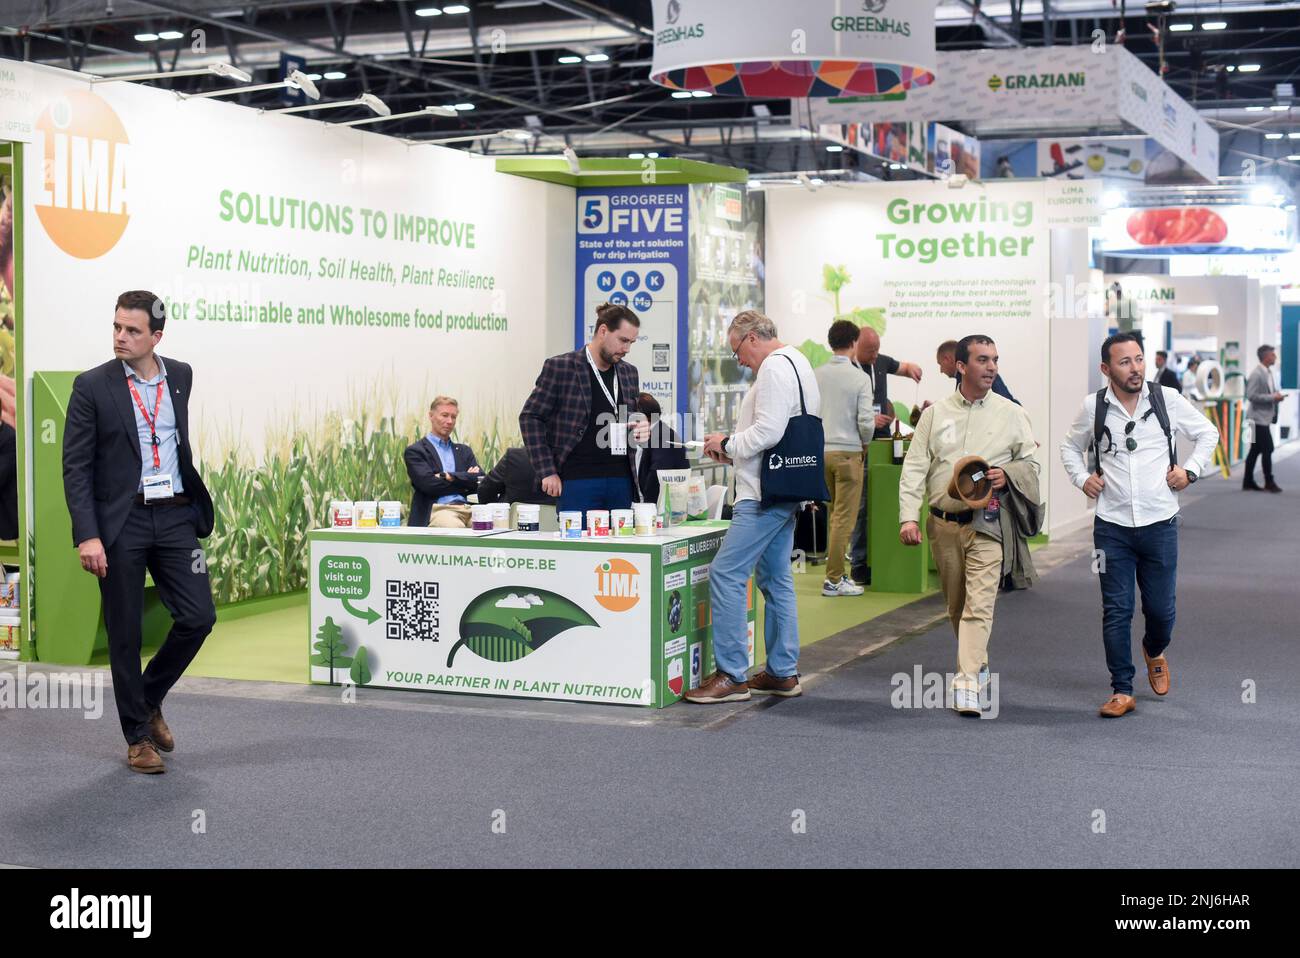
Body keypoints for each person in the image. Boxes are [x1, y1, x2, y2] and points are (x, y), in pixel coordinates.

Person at [62, 290, 217, 774]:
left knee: (198, 616)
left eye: (131, 330)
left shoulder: (181, 376)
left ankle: (148, 698)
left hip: (174, 515)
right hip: (121, 521)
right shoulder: (92, 386)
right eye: (116, 327)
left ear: (157, 336)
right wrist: (88, 535)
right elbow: (76, 466)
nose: (120, 338)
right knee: (125, 634)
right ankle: (136, 738)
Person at [1059, 332, 1219, 718]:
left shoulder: (1167, 399)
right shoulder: (1093, 407)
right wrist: (1083, 479)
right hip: (1110, 527)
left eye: (1139, 359)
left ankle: (1154, 647)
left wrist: (1190, 471)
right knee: (1116, 609)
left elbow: (1207, 433)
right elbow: (1069, 447)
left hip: (1160, 524)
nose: (1135, 368)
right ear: (1106, 369)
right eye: (1124, 362)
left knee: (1162, 611)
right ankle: (1121, 688)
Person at [898, 335, 1038, 716]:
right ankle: (978, 662)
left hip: (989, 522)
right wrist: (908, 516)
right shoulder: (935, 414)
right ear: (960, 366)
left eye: (995, 359)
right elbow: (914, 467)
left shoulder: (1012, 413)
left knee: (980, 604)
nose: (992, 367)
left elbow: (1031, 463)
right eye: (982, 360)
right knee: (957, 606)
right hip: (942, 524)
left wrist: (1006, 475)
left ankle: (966, 684)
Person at [684, 310, 819, 703]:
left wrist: (728, 444)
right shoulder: (799, 363)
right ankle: (782, 672)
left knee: (726, 574)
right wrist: (735, 453)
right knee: (776, 579)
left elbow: (769, 431)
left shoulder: (774, 369)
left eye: (736, 351)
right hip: (784, 487)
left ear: (752, 338)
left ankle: (731, 676)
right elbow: (783, 435)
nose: (739, 360)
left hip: (761, 496)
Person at [519, 302, 648, 523]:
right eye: (623, 340)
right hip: (577, 479)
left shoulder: (629, 373)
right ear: (603, 331)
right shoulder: (561, 367)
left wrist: (641, 423)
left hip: (621, 480)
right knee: (579, 551)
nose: (627, 349)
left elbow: (627, 418)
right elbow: (530, 417)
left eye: (631, 343)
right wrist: (547, 471)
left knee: (619, 552)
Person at [848, 326, 922, 584]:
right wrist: (868, 418)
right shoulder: (847, 370)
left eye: (877, 349)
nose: (875, 355)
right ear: (855, 345)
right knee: (861, 507)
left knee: (883, 503)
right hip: (857, 447)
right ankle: (858, 563)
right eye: (870, 351)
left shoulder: (881, 362)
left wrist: (912, 369)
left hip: (883, 445)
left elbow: (903, 367)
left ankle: (879, 559)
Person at [814, 319, 873, 597]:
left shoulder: (816, 375)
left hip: (820, 452)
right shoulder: (860, 378)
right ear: (854, 343)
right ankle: (834, 579)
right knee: (844, 519)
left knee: (832, 515)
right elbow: (866, 421)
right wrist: (865, 443)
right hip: (849, 453)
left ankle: (835, 574)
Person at [404, 396, 482, 527]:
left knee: (494, 526)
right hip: (439, 509)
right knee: (454, 528)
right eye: (444, 415)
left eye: (453, 417)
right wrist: (465, 480)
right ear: (431, 416)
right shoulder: (416, 451)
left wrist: (450, 476)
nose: (449, 421)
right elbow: (428, 485)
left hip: (469, 508)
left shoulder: (464, 451)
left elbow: (479, 480)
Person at [632, 392, 688, 507]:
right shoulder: (654, 433)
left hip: (662, 511)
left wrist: (644, 511)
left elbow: (656, 481)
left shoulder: (664, 438)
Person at [1244, 345, 1285, 493]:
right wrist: (1273, 397)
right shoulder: (1257, 374)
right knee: (1268, 448)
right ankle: (1269, 481)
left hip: (1262, 418)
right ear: (1266, 356)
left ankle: (1247, 481)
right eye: (1273, 355)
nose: (1275, 357)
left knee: (1255, 450)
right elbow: (1251, 396)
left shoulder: (1268, 372)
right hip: (1256, 419)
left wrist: (1276, 396)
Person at [937, 338, 1019, 404]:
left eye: (940, 364)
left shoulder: (985, 376)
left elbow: (1006, 403)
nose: (992, 368)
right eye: (982, 360)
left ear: (947, 359)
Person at [475, 447, 554, 506]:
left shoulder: (514, 456)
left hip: (510, 524)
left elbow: (485, 489)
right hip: (559, 524)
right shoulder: (564, 461)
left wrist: (496, 512)